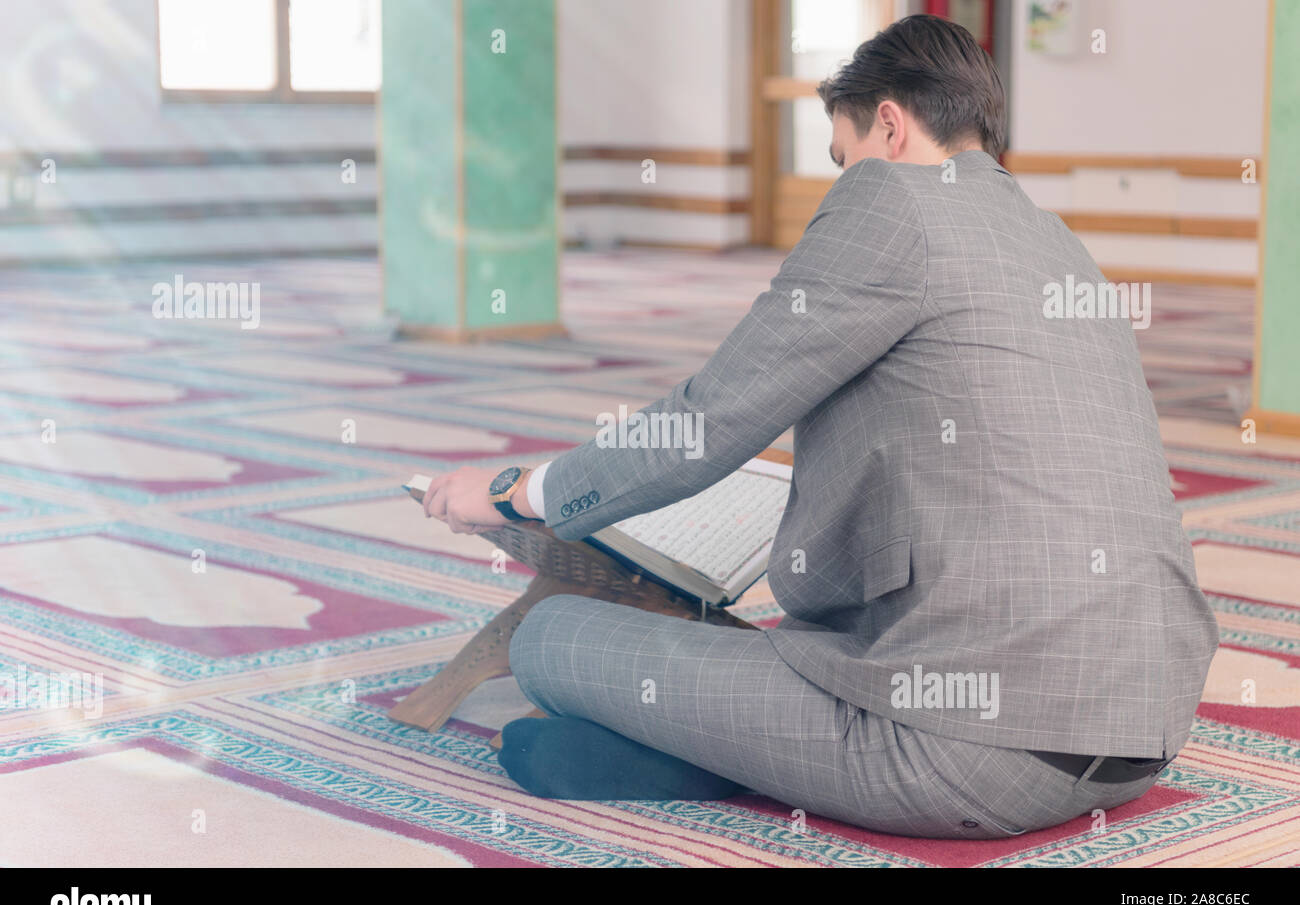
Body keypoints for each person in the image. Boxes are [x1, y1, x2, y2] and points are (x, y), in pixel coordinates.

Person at [421, 14, 1220, 838]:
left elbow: (707, 419)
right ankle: (727, 755)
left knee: (550, 639)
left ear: (889, 124)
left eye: (842, 160)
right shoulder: (1058, 244)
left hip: (963, 750)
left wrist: (521, 493)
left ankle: (717, 761)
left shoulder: (892, 199)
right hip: (1144, 730)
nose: (843, 182)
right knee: (762, 652)